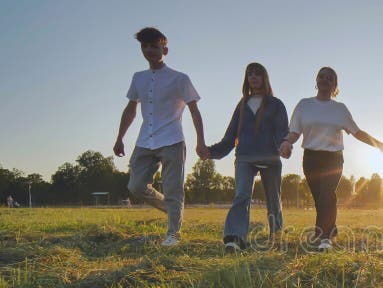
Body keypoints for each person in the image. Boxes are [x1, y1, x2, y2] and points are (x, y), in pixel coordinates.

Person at [113, 27, 206, 247]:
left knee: (174, 188)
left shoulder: (180, 79)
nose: (148, 50)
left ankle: (173, 234)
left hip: (172, 140)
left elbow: (194, 111)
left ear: (165, 48)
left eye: (153, 46)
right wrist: (120, 137)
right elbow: (130, 109)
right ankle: (171, 208)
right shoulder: (138, 78)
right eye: (144, 46)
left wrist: (200, 141)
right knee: (135, 186)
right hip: (145, 140)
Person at [279, 67, 383, 251]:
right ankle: (329, 229)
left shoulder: (340, 109)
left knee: (328, 195)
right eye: (321, 76)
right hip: (311, 158)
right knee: (319, 199)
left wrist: (380, 145)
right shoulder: (304, 105)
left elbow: (357, 132)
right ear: (316, 80)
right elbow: (294, 131)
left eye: (330, 78)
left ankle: (324, 239)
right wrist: (286, 142)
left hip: (333, 158)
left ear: (335, 85)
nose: (325, 80)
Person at [204, 63, 289, 252]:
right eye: (250, 74)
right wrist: (211, 152)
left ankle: (276, 237)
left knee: (273, 199)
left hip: (270, 159)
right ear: (246, 79)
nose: (253, 77)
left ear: (264, 78)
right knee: (242, 195)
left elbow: (283, 132)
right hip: (245, 158)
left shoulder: (276, 104)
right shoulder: (242, 105)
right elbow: (230, 137)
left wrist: (285, 145)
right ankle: (235, 239)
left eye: (258, 74)